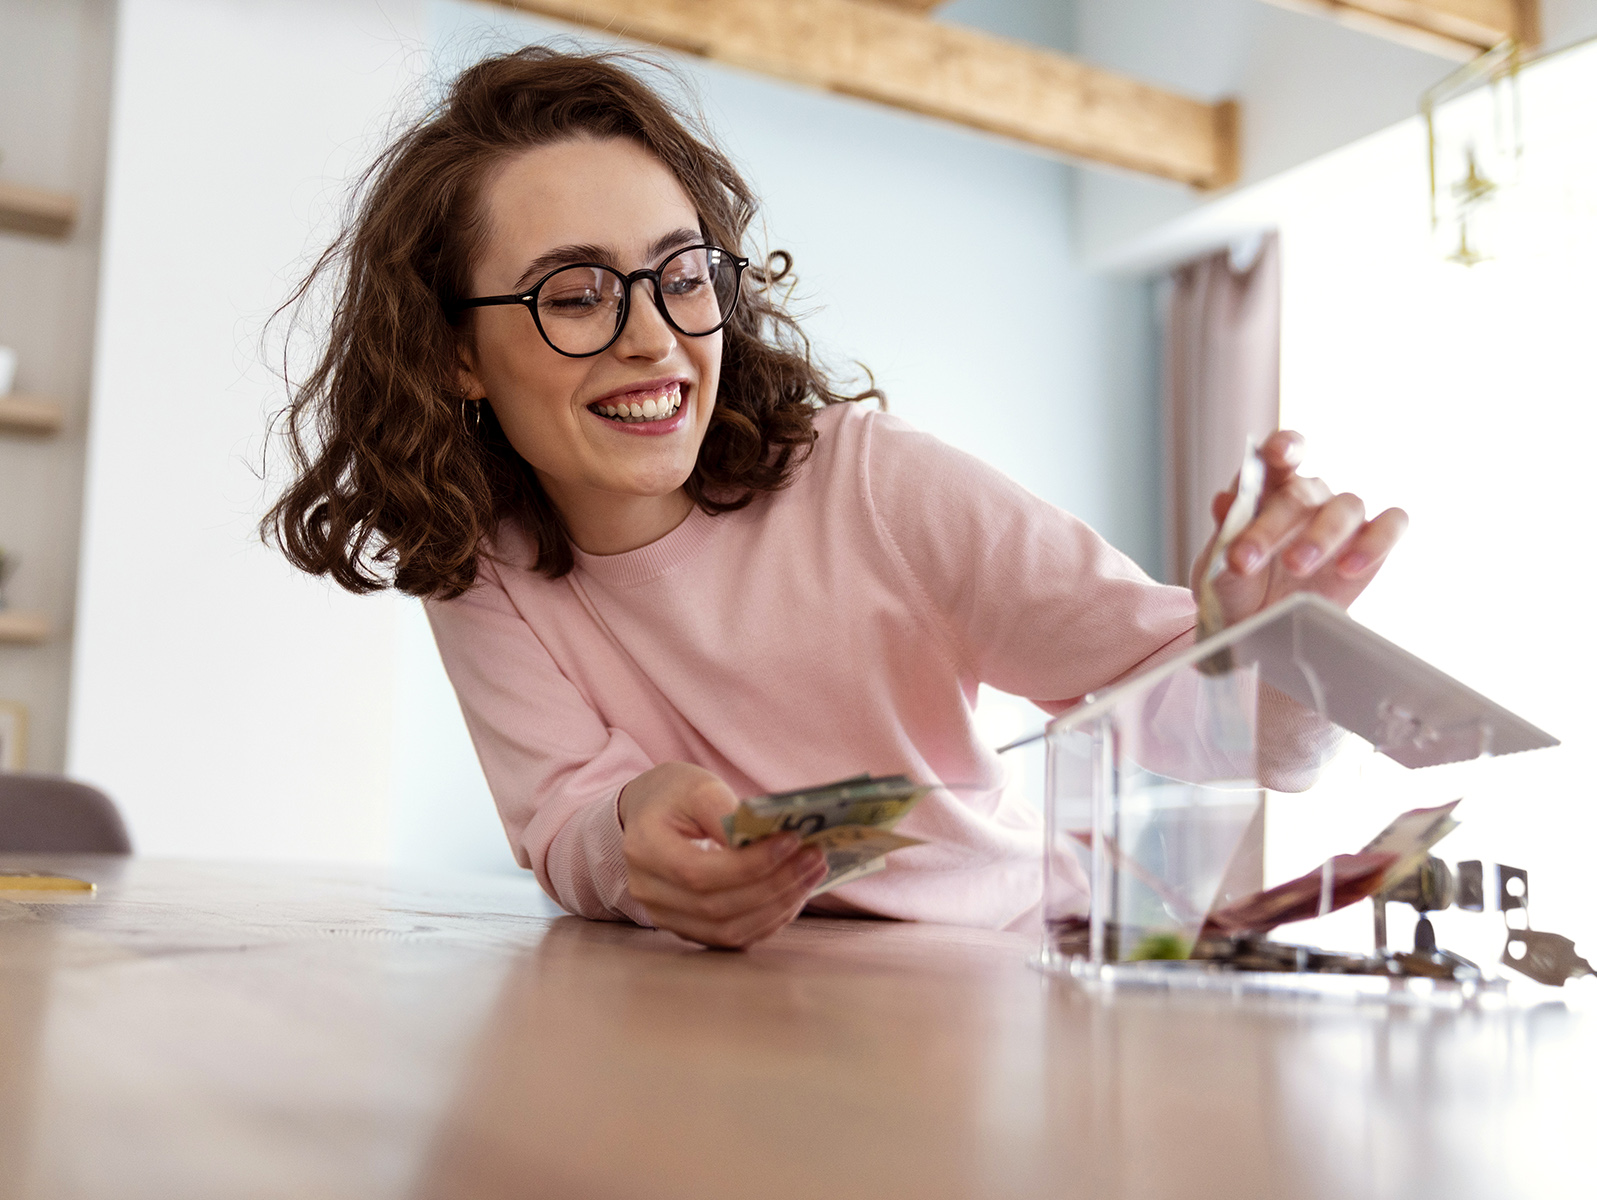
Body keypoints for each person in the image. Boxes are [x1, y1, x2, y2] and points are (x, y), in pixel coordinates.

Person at [265, 47, 1406, 949]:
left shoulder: (877, 486)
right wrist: (632, 841)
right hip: (724, 1021)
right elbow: (564, 818)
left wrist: (1284, 649)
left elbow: (1249, 744)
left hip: (996, 988)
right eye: (574, 295)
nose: (655, 339)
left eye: (680, 274)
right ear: (453, 350)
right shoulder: (480, 558)